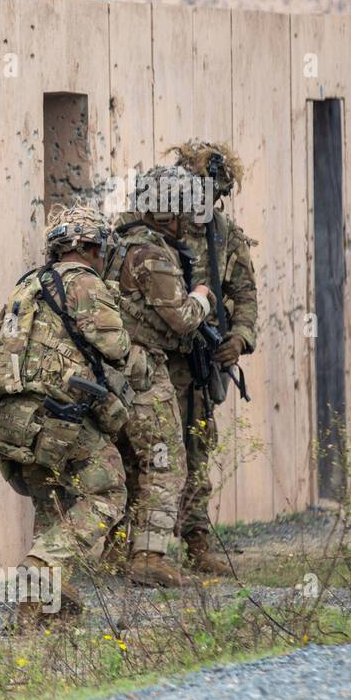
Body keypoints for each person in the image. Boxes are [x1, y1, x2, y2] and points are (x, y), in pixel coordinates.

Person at [0, 205, 131, 628]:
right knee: (109, 490)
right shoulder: (85, 283)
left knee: (54, 508)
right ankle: (42, 565)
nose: (103, 256)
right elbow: (118, 348)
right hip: (59, 414)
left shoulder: (26, 285)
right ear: (91, 246)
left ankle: (38, 615)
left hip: (13, 416)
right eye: (101, 249)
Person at [104, 166, 216, 586]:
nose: (189, 218)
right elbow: (183, 318)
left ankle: (120, 553)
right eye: (184, 208)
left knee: (131, 463)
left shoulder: (117, 244)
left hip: (116, 370)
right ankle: (149, 557)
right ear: (168, 210)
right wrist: (202, 298)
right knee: (166, 461)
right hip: (144, 372)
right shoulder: (150, 253)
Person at [165, 140, 258, 574]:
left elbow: (245, 295)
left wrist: (238, 339)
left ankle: (196, 540)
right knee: (153, 449)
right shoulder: (166, 230)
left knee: (198, 446)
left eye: (214, 193)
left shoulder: (227, 235)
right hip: (164, 358)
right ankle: (135, 545)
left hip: (205, 360)